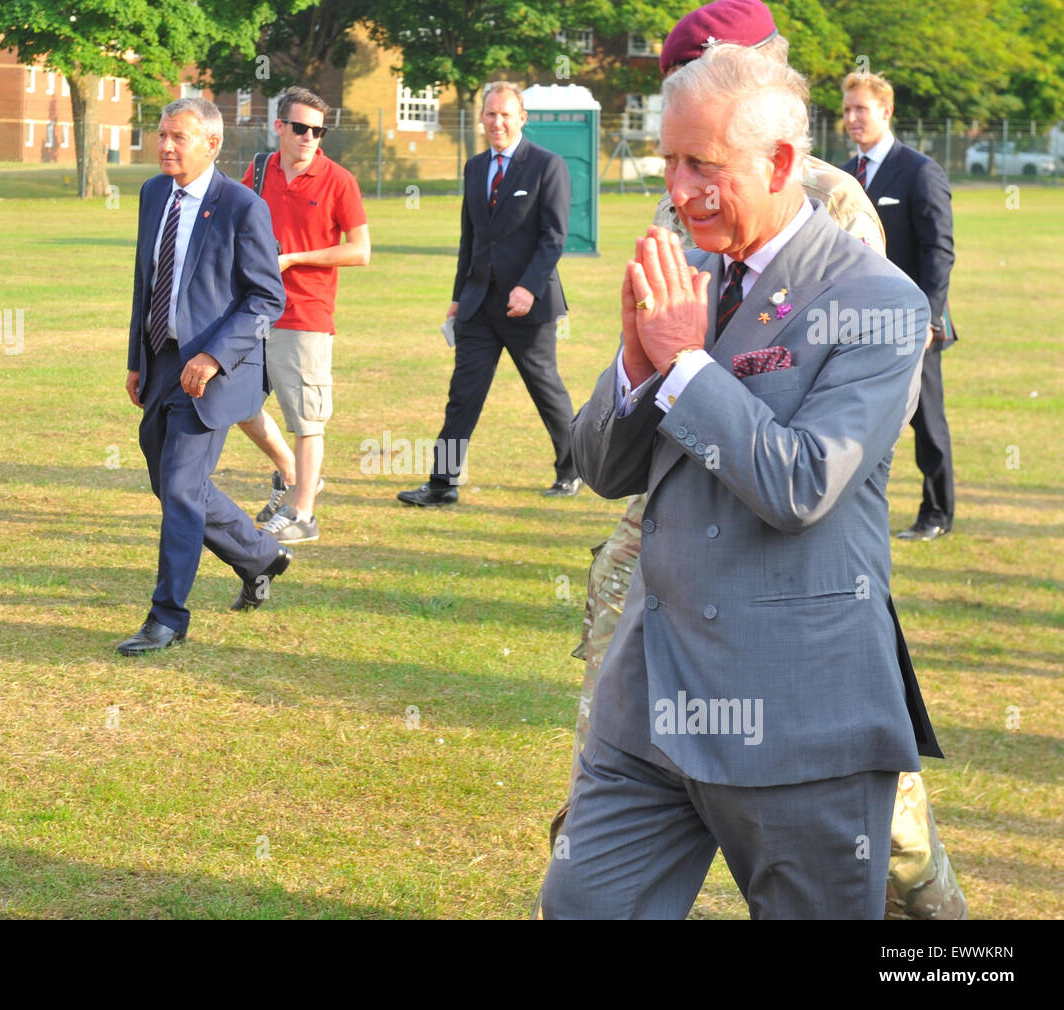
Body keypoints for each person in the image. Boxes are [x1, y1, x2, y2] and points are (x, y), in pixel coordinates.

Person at [544, 0, 964, 921]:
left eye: (705, 166)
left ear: (781, 163)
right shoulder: (690, 266)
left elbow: (800, 482)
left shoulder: (876, 300)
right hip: (650, 699)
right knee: (583, 905)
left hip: (794, 715)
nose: (681, 188)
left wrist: (686, 363)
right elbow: (605, 466)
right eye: (670, 162)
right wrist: (632, 359)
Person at [117, 97, 292, 656]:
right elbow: (146, 283)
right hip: (162, 363)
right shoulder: (151, 194)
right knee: (168, 484)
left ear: (212, 144)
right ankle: (260, 556)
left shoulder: (242, 206)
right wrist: (136, 359)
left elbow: (269, 297)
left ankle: (167, 617)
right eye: (162, 135)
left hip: (215, 371)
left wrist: (214, 355)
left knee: (182, 490)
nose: (165, 146)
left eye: (179, 138)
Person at [397, 81, 579, 506]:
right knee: (463, 393)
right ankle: (442, 484)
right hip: (479, 305)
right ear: (481, 118)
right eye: (490, 114)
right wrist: (459, 296)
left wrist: (528, 289)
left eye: (505, 114)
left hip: (527, 308)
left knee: (545, 387)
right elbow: (471, 238)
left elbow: (554, 238)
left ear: (521, 118)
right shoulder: (476, 167)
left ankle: (572, 468)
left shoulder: (547, 166)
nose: (497, 121)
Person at [237, 85, 370, 545]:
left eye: (318, 130)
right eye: (300, 128)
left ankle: (303, 514)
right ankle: (292, 473)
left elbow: (360, 251)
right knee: (237, 401)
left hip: (306, 315)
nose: (310, 137)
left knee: (307, 420)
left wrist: (295, 259)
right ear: (279, 127)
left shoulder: (339, 180)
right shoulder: (257, 170)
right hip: (253, 309)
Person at [842, 70, 957, 542]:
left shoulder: (920, 170)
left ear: (885, 111)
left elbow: (940, 251)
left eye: (860, 109)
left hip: (912, 322)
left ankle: (937, 513)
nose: (851, 119)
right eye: (846, 110)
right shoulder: (845, 176)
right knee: (855, 418)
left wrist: (929, 318)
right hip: (854, 322)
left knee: (926, 422)